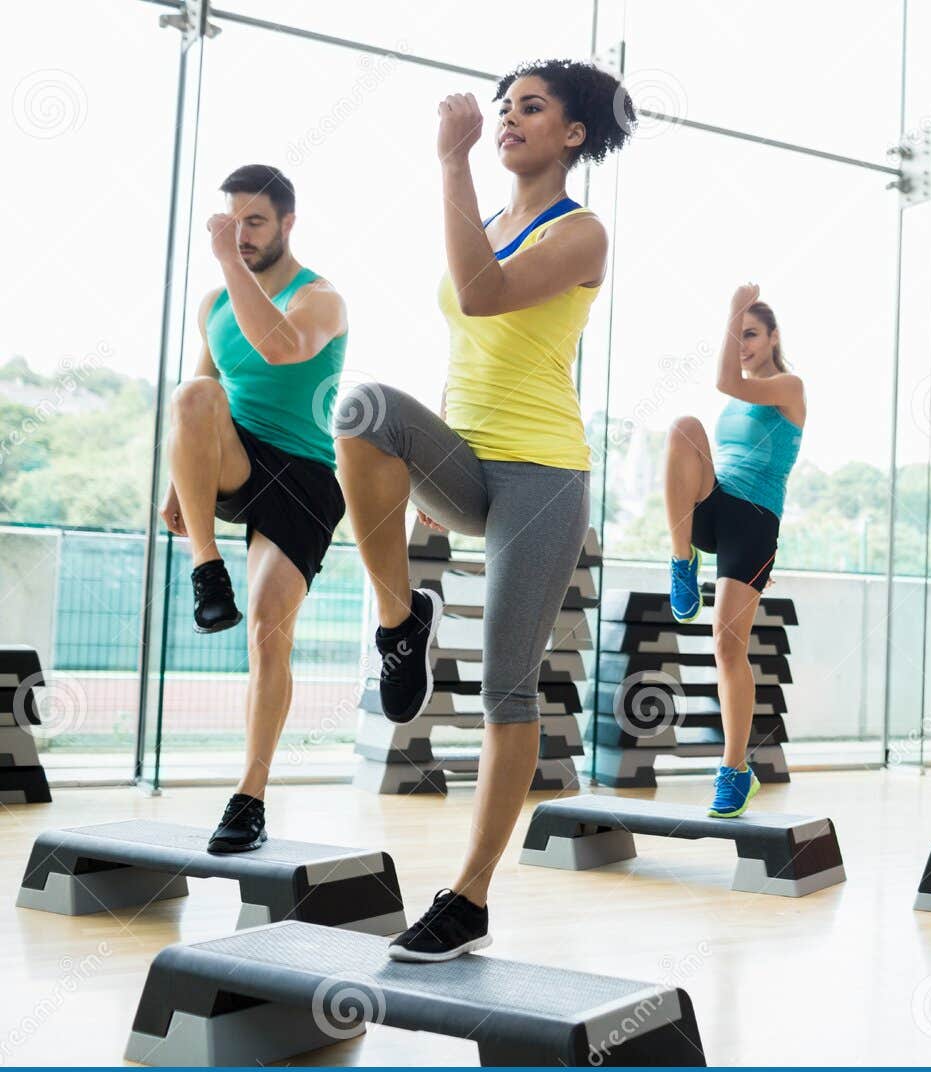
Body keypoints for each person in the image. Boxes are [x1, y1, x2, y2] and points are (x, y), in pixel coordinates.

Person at [333, 59, 634, 961]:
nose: (508, 118)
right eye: (503, 107)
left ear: (572, 134)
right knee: (364, 410)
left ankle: (468, 897)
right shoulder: (493, 218)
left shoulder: (582, 233)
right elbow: (469, 347)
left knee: (508, 685)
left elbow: (481, 294)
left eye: (530, 108)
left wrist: (451, 161)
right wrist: (412, 474)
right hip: (466, 461)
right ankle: (401, 621)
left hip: (542, 479)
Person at [159, 164, 349, 855]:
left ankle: (250, 795)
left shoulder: (321, 298)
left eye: (255, 223)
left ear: (288, 224)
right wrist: (184, 485)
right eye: (231, 223)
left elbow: (281, 346)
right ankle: (206, 570)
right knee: (190, 395)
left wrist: (225, 260)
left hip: (303, 477)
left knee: (269, 629)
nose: (240, 236)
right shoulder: (213, 303)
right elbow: (202, 393)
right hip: (239, 458)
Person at [664, 285, 804, 818]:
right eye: (737, 333)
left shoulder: (789, 388)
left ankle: (735, 770)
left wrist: (729, 310)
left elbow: (727, 378)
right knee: (683, 428)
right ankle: (683, 563)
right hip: (716, 505)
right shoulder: (734, 400)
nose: (742, 342)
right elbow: (725, 386)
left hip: (755, 523)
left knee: (727, 648)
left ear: (772, 338)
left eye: (751, 333)